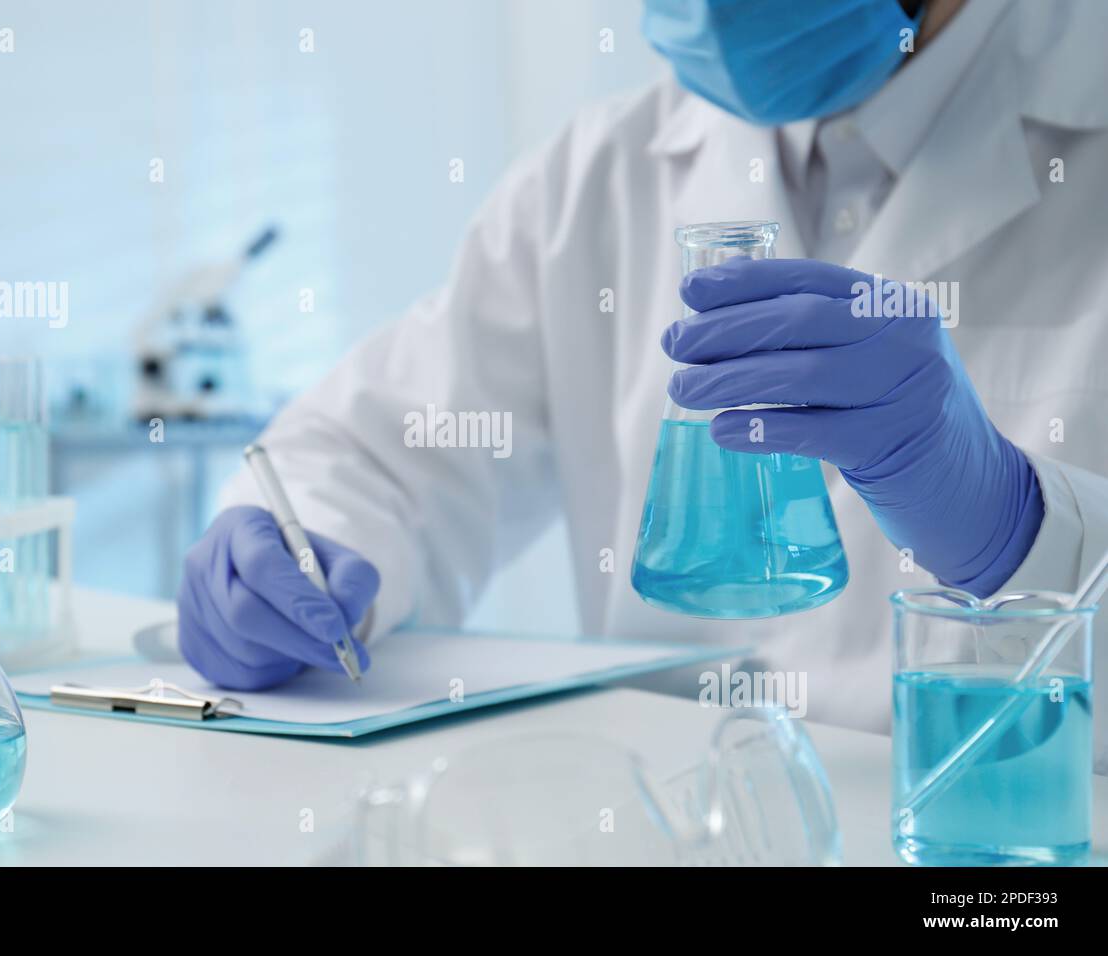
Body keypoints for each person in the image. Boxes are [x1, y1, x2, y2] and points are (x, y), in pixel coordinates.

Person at [177, 0, 1108, 767]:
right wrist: (304, 549)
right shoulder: (601, 173)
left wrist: (1027, 528)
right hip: (672, 825)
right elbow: (390, 445)